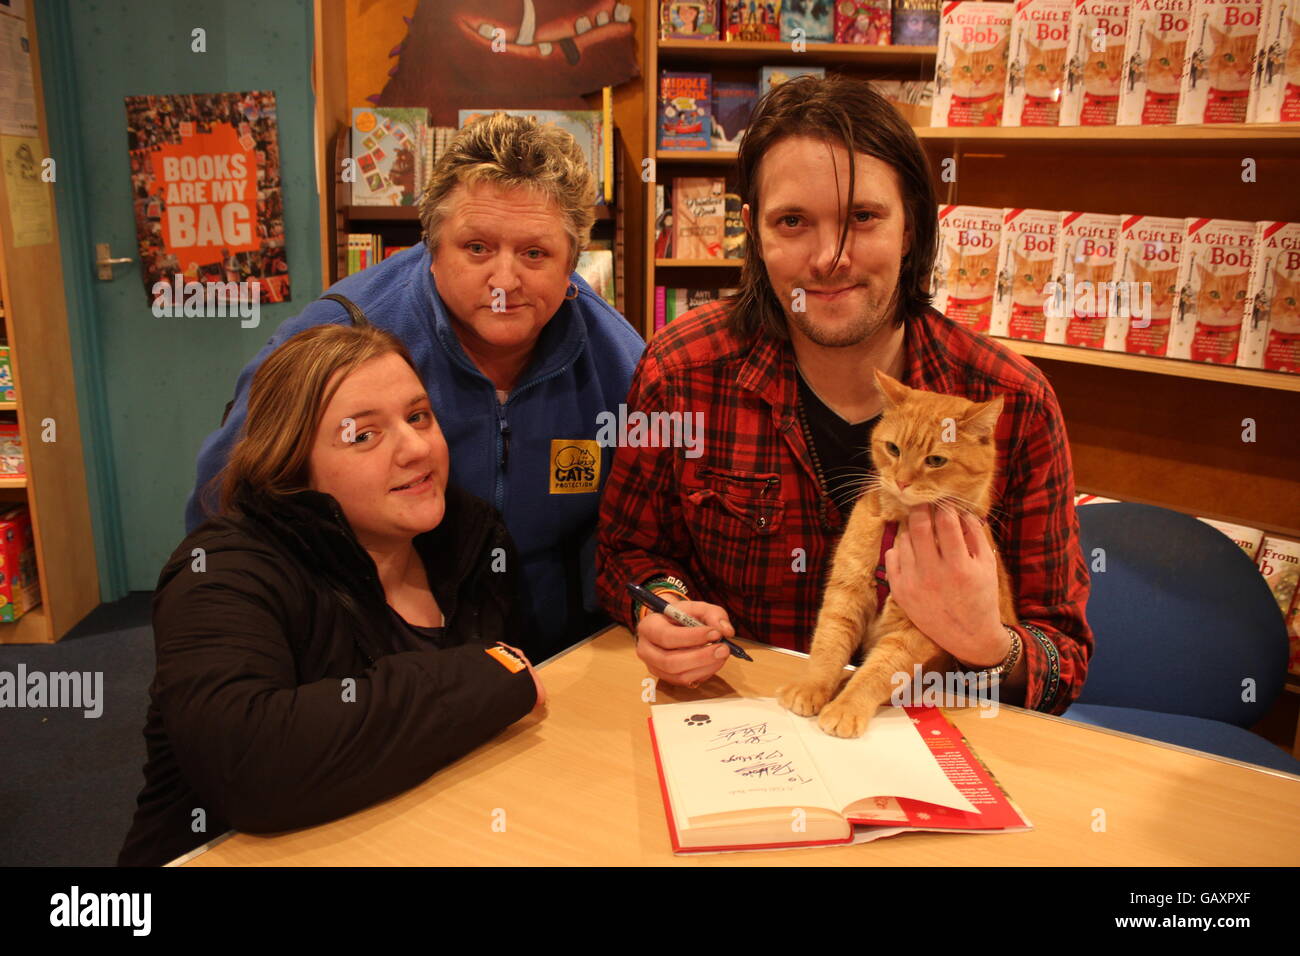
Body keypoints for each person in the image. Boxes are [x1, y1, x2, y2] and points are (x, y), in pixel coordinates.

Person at [596, 76, 1092, 712]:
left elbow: (1064, 658)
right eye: (793, 221)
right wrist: (664, 605)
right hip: (745, 723)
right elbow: (626, 552)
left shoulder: (1011, 401)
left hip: (940, 739)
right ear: (753, 231)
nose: (829, 257)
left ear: (911, 226)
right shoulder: (682, 372)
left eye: (862, 218)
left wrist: (992, 645)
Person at [187, 112, 646, 662]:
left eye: (535, 253)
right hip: (376, 663)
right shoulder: (339, 335)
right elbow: (225, 503)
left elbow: (644, 533)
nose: (505, 281)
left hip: (561, 659)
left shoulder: (620, 362)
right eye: (476, 248)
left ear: (573, 261)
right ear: (432, 247)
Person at [120, 322, 545, 867]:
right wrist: (486, 677)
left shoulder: (470, 536)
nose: (416, 448)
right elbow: (248, 766)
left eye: (418, 417)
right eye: (364, 435)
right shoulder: (224, 570)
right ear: (294, 462)